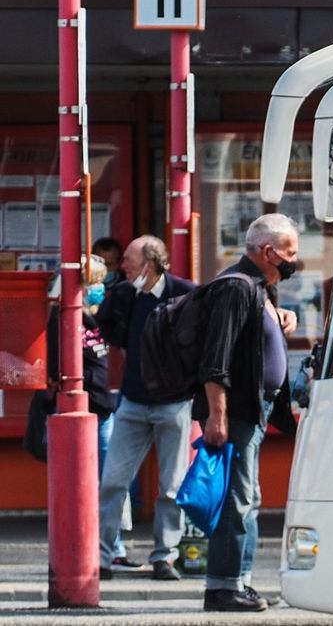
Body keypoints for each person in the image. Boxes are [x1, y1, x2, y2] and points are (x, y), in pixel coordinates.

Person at [198, 213, 300, 613]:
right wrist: (217, 415)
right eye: (290, 253)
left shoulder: (261, 288)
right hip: (236, 414)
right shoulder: (237, 289)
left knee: (248, 499)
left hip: (254, 413)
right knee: (236, 501)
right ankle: (223, 588)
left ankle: (240, 582)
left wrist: (281, 317)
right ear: (268, 251)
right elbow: (215, 359)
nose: (295, 260)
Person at [95, 235, 196, 581]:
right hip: (133, 401)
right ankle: (103, 557)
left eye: (129, 260)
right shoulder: (124, 294)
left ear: (149, 265)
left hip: (174, 403)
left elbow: (203, 339)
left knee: (171, 487)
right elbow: (103, 326)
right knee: (112, 482)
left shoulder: (184, 292)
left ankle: (164, 557)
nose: (122, 266)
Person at [45, 257, 131, 565]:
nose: (99, 288)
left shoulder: (98, 316)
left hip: (106, 408)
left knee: (112, 481)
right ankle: (90, 547)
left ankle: (113, 547)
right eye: (94, 282)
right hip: (84, 409)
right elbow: (56, 367)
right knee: (88, 482)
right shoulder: (63, 318)